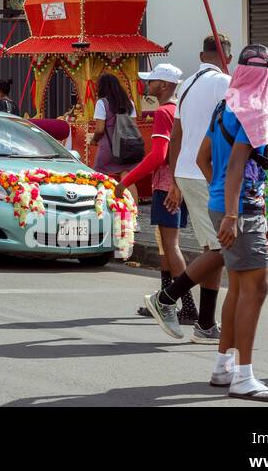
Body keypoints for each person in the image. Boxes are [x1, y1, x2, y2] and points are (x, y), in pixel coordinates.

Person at [195, 43, 268, 402]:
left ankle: (223, 365)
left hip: (225, 204)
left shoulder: (225, 104)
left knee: (239, 287)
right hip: (240, 209)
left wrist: (221, 200)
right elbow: (234, 167)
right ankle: (244, 376)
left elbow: (203, 158)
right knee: (256, 288)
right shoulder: (254, 109)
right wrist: (232, 213)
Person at [145, 33, 232, 344]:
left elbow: (177, 135)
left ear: (201, 55)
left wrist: (175, 177)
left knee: (213, 248)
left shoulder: (188, 86)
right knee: (224, 248)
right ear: (228, 59)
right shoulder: (225, 82)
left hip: (187, 171)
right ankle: (167, 297)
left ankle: (206, 323)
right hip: (206, 172)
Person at [118, 64, 198, 324]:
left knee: (171, 245)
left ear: (163, 86)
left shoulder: (164, 112)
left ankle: (187, 306)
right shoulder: (180, 111)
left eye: (152, 81)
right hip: (177, 184)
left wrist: (127, 181)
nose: (147, 84)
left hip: (166, 185)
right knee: (165, 245)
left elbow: (158, 155)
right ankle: (167, 301)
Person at [86, 73, 137, 179]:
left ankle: (102, 195)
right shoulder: (129, 103)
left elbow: (100, 129)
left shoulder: (102, 103)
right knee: (126, 177)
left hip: (108, 147)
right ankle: (133, 197)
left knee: (98, 176)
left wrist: (94, 140)